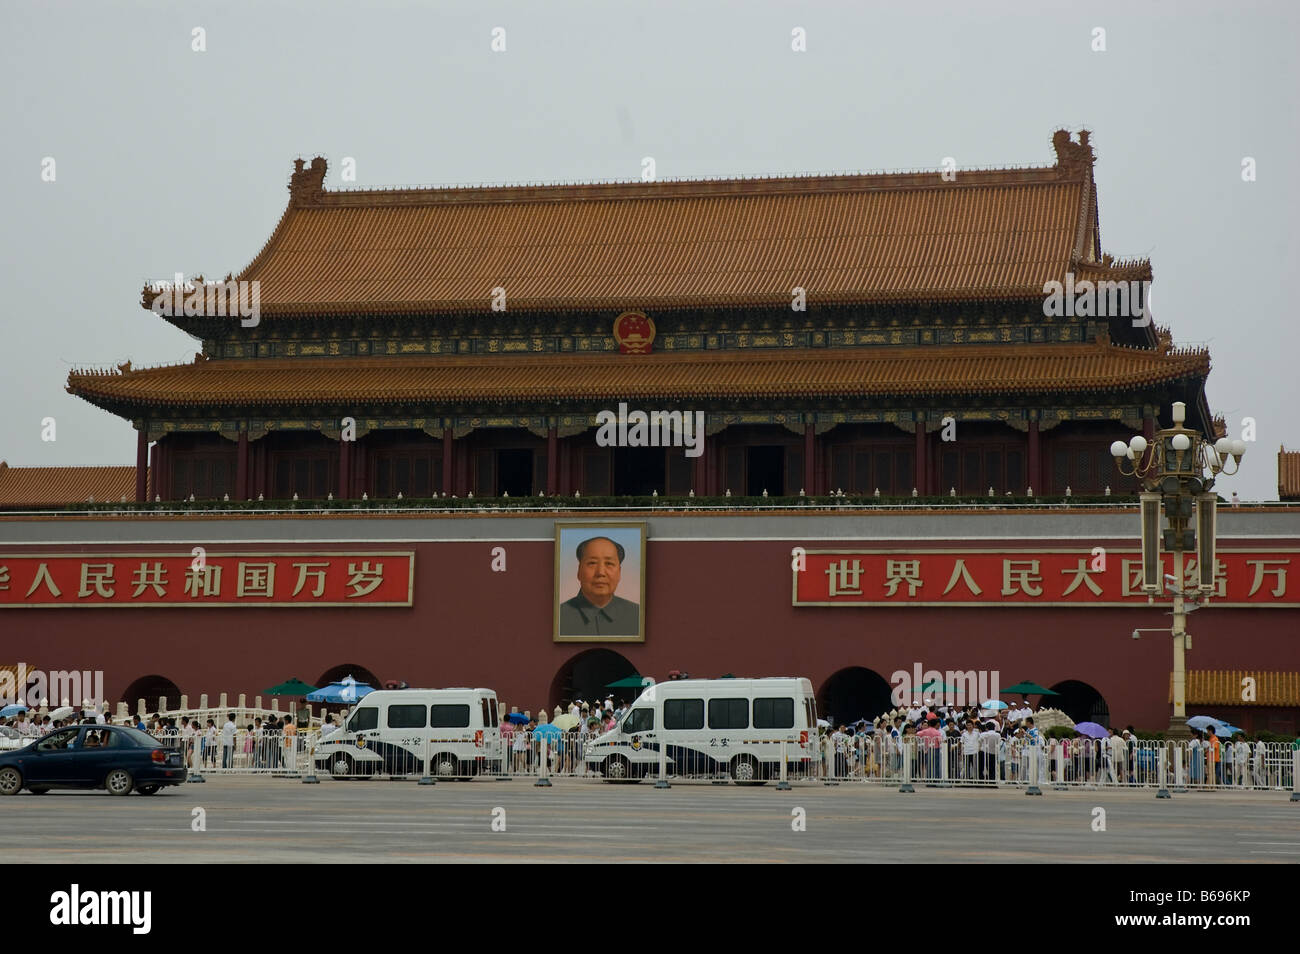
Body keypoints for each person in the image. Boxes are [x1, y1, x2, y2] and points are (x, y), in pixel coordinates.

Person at [558, 536, 640, 636]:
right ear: (579, 571)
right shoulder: (558, 617)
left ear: (619, 572)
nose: (600, 572)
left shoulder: (638, 615)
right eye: (592, 563)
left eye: (609, 563)